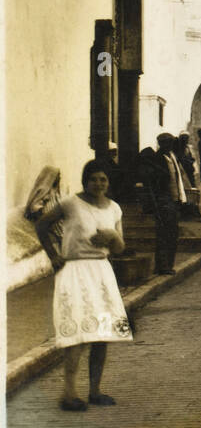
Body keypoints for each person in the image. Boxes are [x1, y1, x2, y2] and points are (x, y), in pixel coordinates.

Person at [35, 160, 132, 411]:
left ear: (109, 183)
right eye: (93, 179)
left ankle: (95, 391)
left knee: (102, 334)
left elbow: (120, 249)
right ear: (84, 180)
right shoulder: (71, 204)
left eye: (103, 180)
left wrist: (112, 237)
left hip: (101, 271)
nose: (98, 184)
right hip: (75, 270)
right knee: (76, 333)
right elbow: (41, 224)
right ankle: (69, 393)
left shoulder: (114, 209)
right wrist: (53, 255)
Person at [139, 133, 187, 274]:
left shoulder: (172, 156)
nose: (170, 146)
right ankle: (163, 265)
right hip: (163, 202)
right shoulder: (156, 159)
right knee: (164, 235)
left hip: (173, 200)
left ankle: (167, 264)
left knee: (172, 234)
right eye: (168, 143)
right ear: (162, 144)